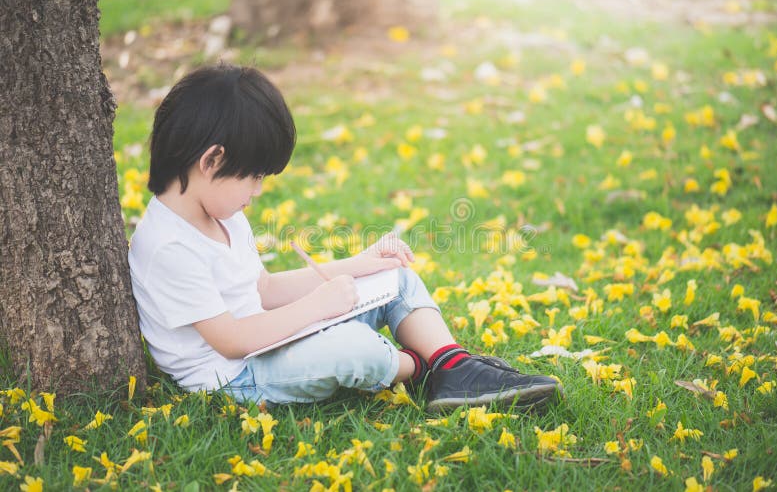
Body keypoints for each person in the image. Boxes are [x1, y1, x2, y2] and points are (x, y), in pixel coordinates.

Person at [128, 64, 562, 411]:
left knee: (396, 279)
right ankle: (426, 369)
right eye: (254, 176)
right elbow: (231, 341)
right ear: (212, 160)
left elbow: (263, 289)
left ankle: (455, 366)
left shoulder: (221, 213)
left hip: (273, 337)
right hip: (237, 374)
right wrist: (316, 309)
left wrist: (360, 265)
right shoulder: (170, 245)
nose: (257, 191)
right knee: (357, 349)